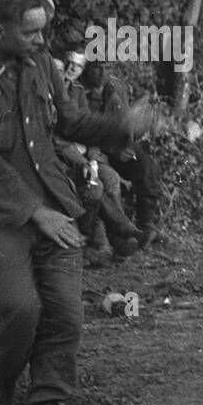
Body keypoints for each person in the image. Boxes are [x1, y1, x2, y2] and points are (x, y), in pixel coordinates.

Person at [0, 0, 154, 405]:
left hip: (57, 206)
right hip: (0, 218)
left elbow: (71, 122)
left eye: (42, 32)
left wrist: (123, 127)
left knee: (64, 315)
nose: (41, 41)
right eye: (31, 32)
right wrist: (35, 212)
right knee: (19, 310)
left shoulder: (39, 66)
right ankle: (0, 393)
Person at [52, 52, 142, 264]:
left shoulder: (76, 92)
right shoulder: (47, 95)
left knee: (109, 177)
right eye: (68, 65)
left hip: (84, 154)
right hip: (63, 158)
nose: (71, 70)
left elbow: (86, 128)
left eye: (77, 66)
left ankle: (119, 239)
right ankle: (101, 242)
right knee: (94, 186)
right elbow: (56, 139)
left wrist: (92, 159)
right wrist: (83, 162)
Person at [77, 51, 164, 244]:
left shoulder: (117, 87)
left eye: (107, 67)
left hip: (118, 149)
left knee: (145, 165)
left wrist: (132, 141)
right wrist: (113, 150)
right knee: (106, 179)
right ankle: (120, 234)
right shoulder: (78, 90)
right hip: (95, 152)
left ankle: (146, 224)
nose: (101, 73)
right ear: (86, 67)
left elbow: (126, 125)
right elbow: (79, 130)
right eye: (96, 67)